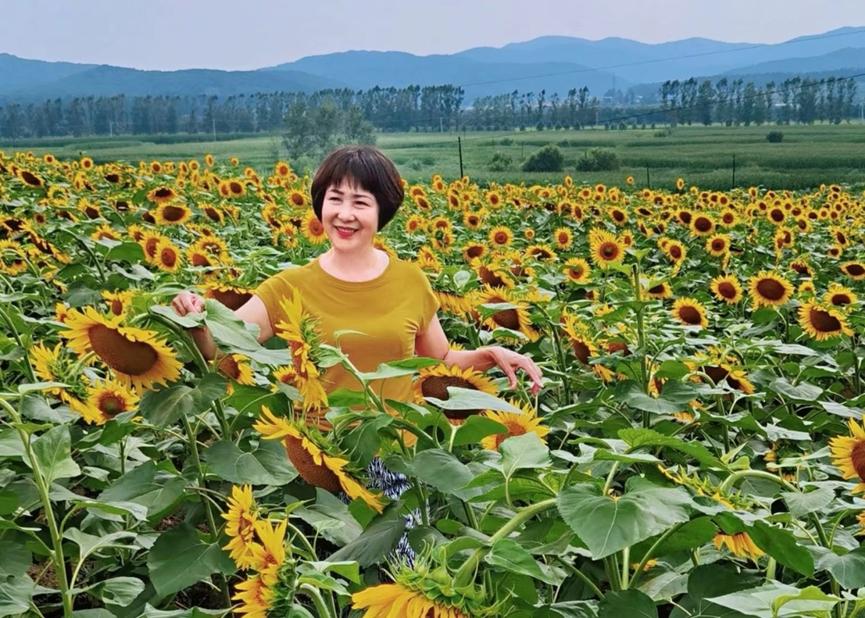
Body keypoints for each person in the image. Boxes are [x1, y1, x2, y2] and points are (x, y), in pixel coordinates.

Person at [172, 145, 543, 422]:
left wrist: (490, 355)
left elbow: (439, 360)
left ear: (382, 212)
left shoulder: (411, 281)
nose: (345, 214)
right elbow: (222, 348)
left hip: (398, 456)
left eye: (361, 202)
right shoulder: (289, 287)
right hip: (323, 459)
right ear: (320, 206)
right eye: (335, 199)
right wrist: (195, 318)